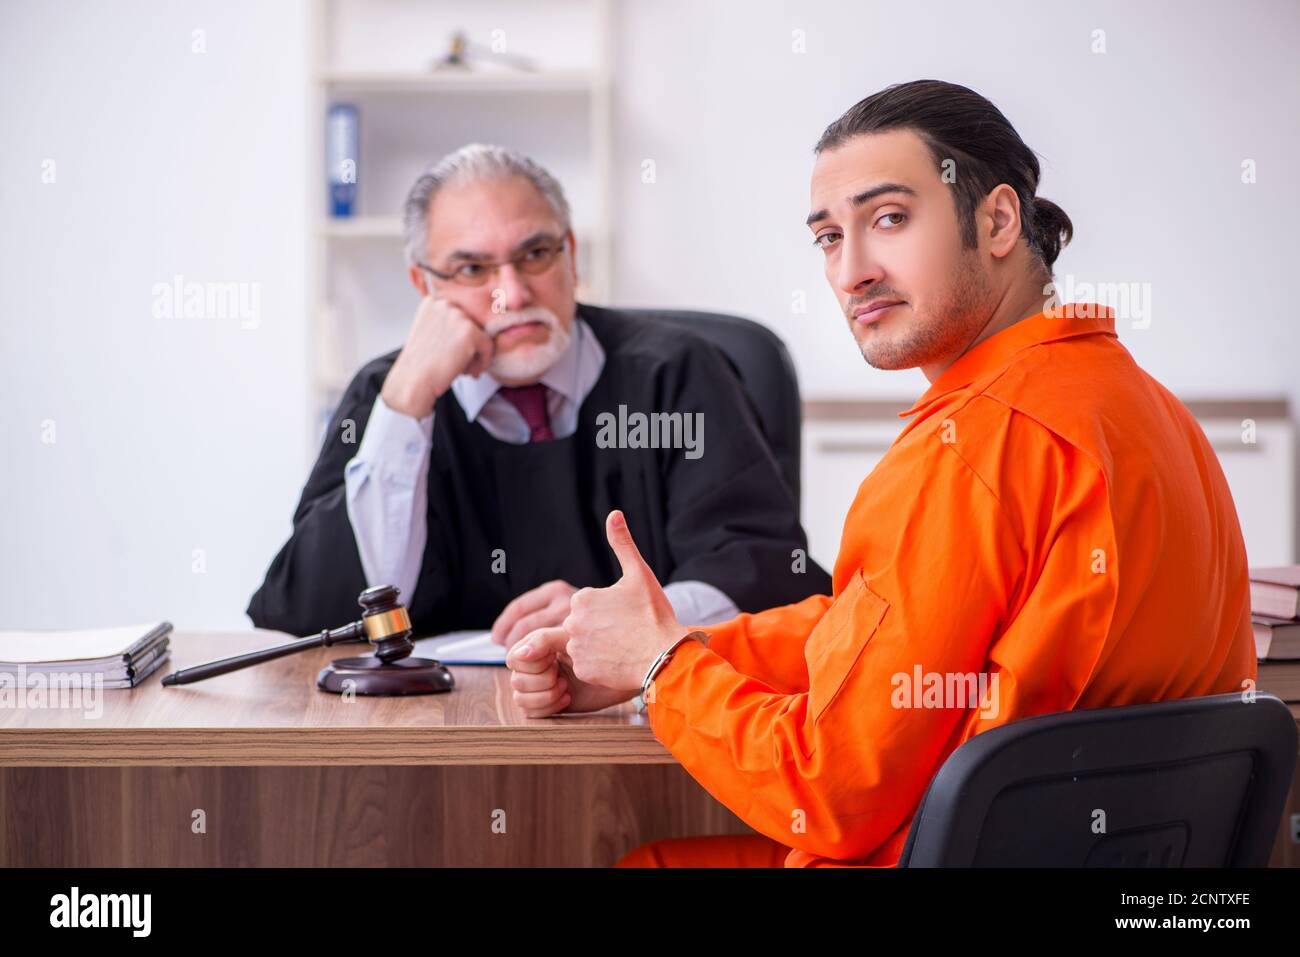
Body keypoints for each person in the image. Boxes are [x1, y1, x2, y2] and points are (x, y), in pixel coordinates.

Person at [505, 80, 1258, 867]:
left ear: (997, 219)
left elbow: (829, 792)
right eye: (829, 237)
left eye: (890, 219)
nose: (852, 271)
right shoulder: (1152, 411)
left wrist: (663, 672)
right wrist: (674, 644)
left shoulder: (970, 447)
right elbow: (879, 639)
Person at [247, 144, 829, 657]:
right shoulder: (387, 395)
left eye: (535, 255)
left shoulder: (677, 374)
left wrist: (622, 621)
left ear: (571, 255)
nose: (514, 294)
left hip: (645, 730)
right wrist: (406, 403)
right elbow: (318, 612)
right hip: (437, 735)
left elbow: (768, 574)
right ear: (425, 287)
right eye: (472, 268)